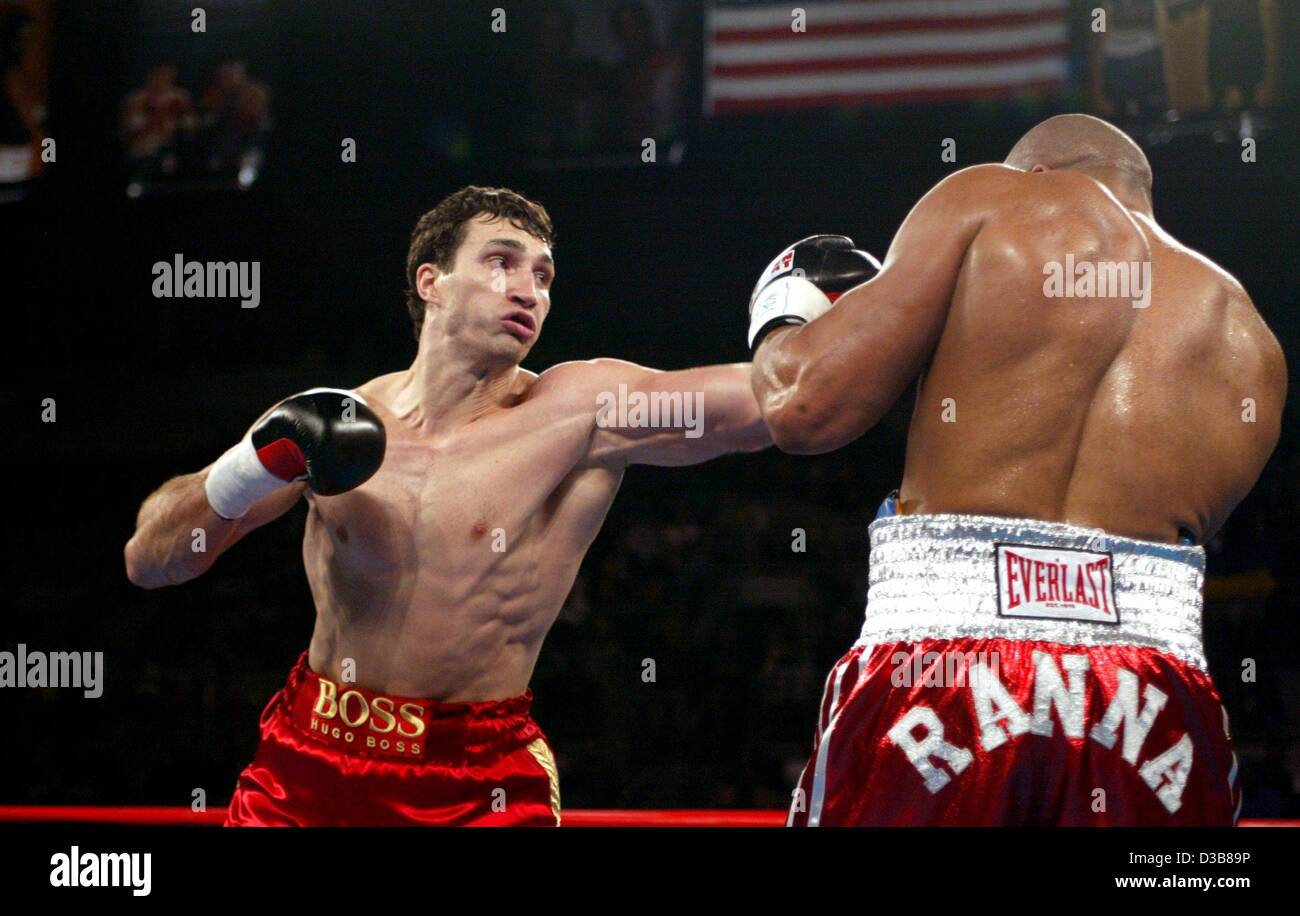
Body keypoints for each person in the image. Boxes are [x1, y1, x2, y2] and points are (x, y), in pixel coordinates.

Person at [125, 185, 771, 825]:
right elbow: (152, 562)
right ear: (431, 281)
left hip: (473, 781)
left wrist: (804, 324)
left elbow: (768, 402)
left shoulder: (583, 412)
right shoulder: (331, 421)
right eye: (501, 263)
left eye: (543, 276)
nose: (530, 290)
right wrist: (248, 467)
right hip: (308, 762)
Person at [747, 114, 1285, 826]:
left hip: (942, 670)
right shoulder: (1252, 342)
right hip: (1156, 697)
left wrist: (784, 316)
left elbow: (803, 408)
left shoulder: (993, 198)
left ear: (1034, 173)